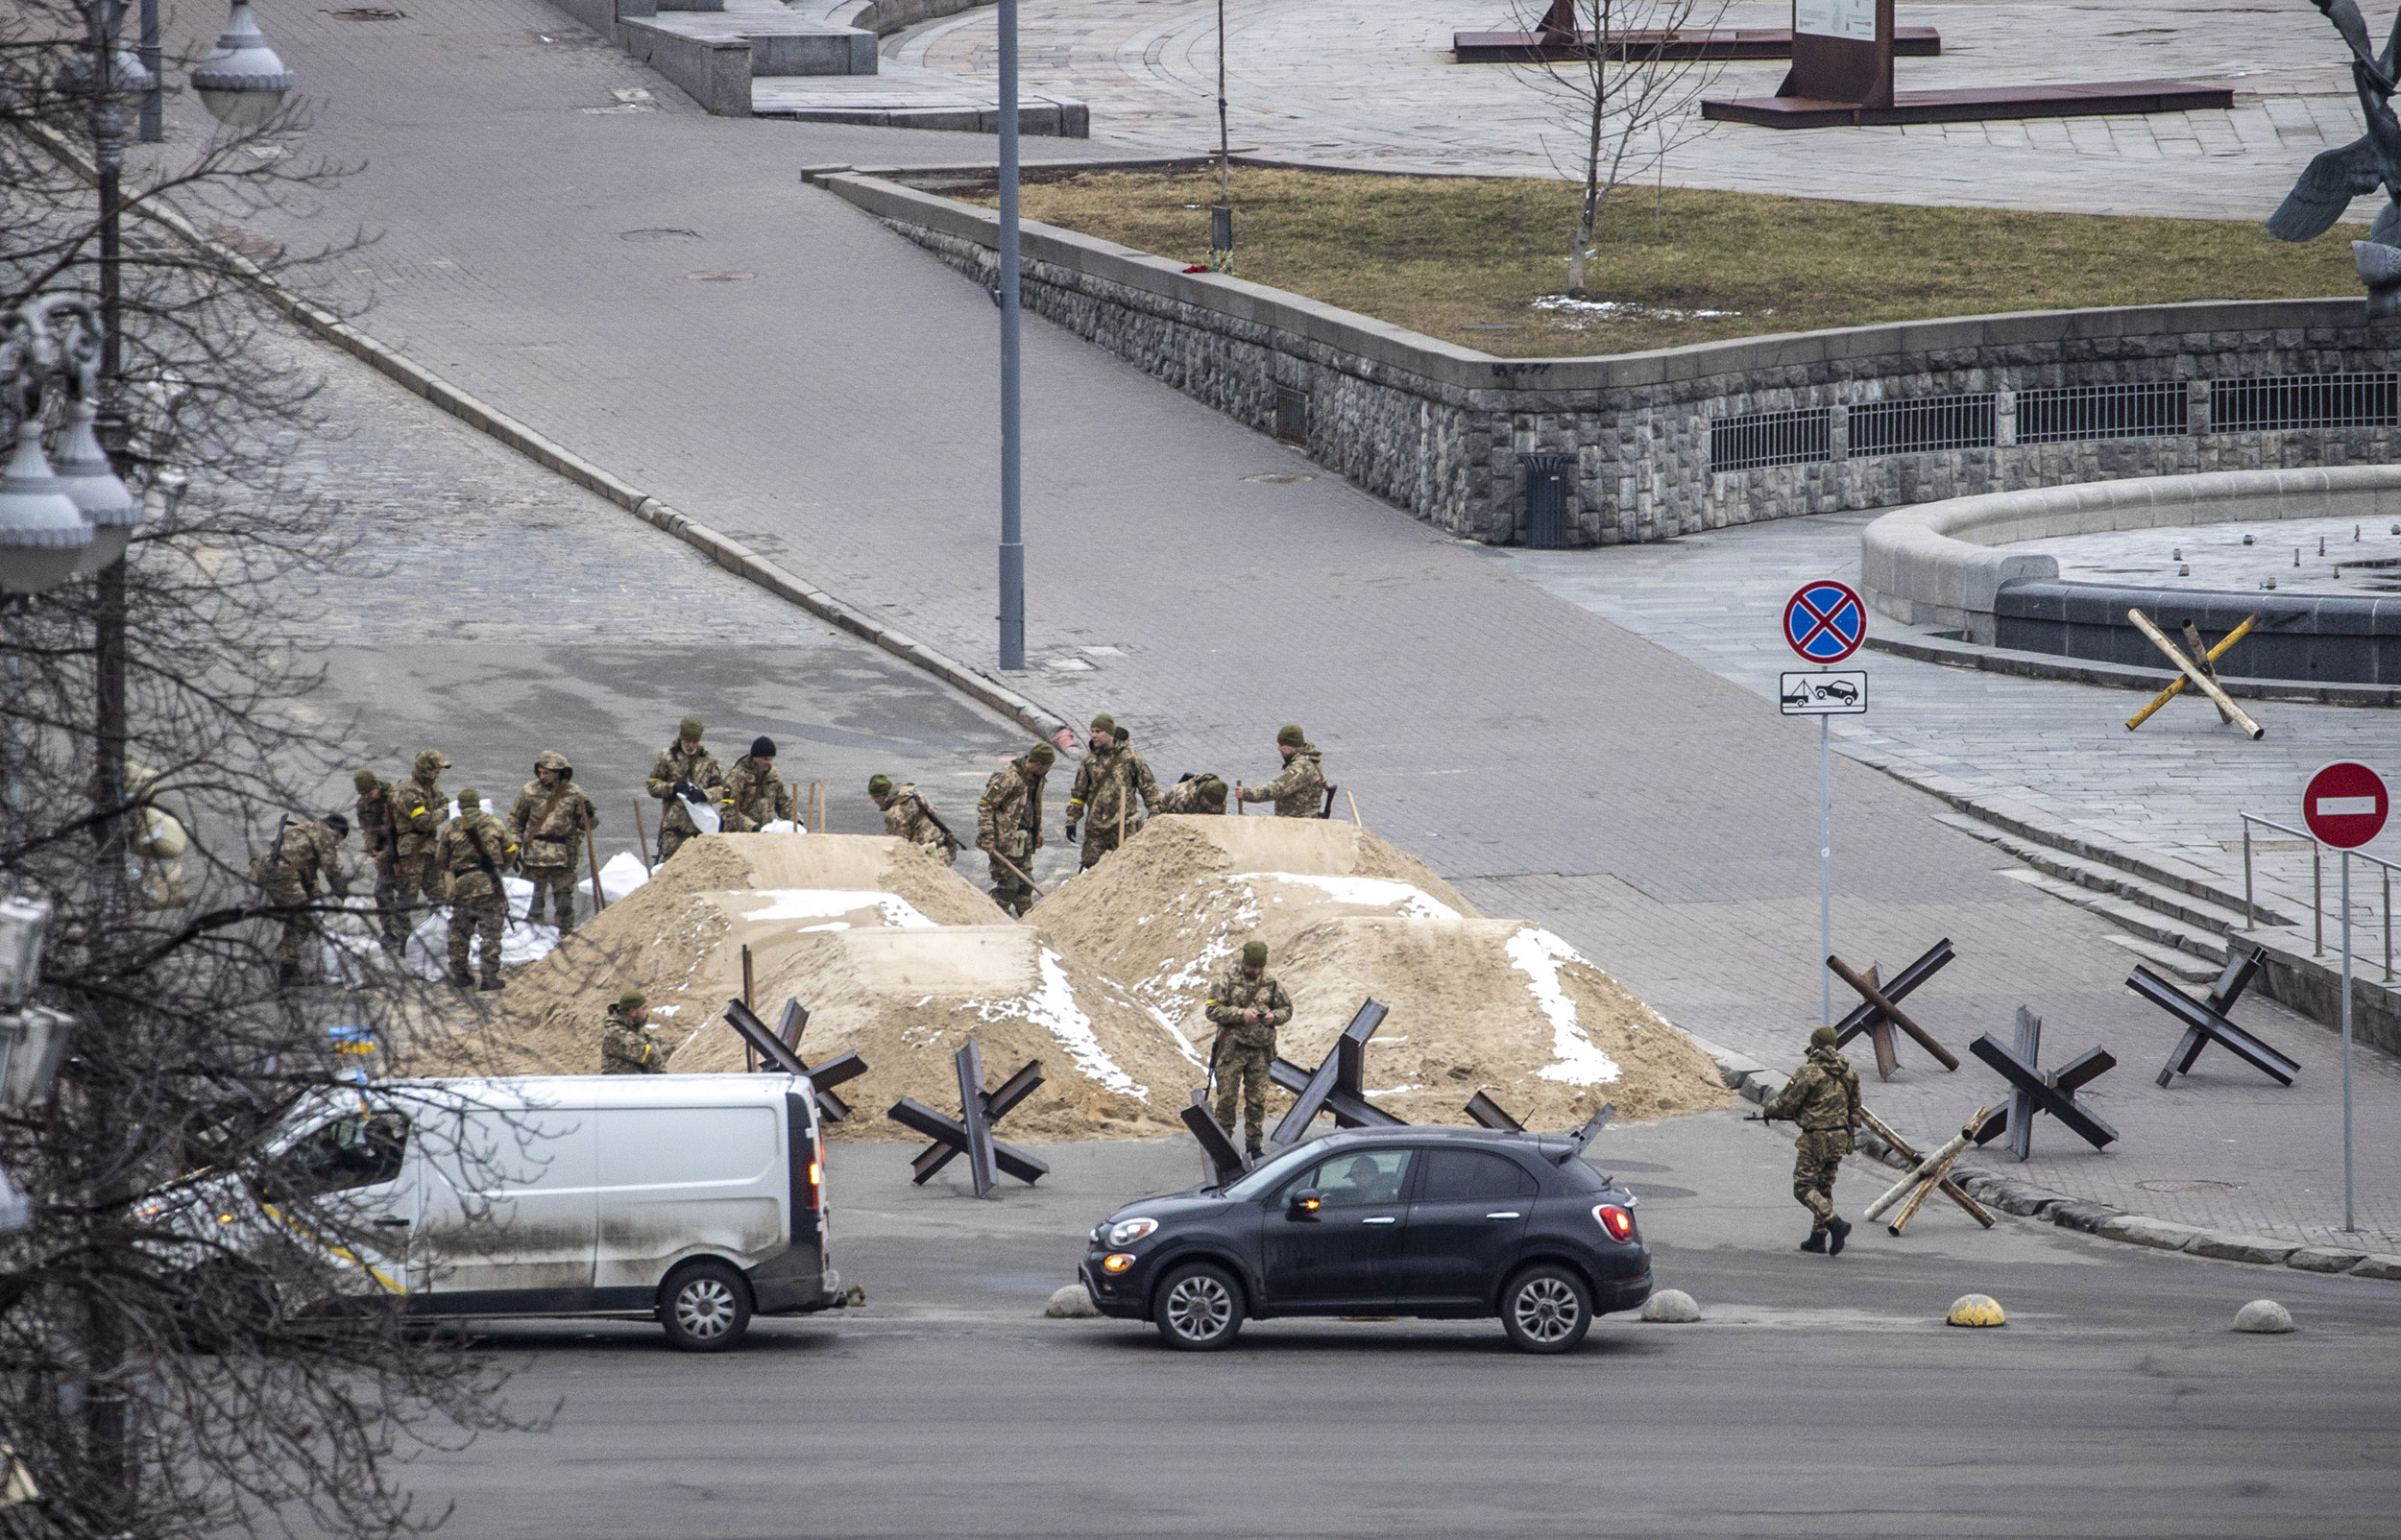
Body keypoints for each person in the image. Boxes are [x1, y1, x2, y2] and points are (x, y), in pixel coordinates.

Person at [1762, 1024, 1863, 1255]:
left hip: (1816, 1137)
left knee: (1803, 1186)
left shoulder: (1809, 1072)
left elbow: (1788, 1101)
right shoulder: (1848, 1070)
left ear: (1814, 1044)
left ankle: (1835, 1223)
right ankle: (1818, 1238)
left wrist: (1770, 1111)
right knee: (1824, 1186)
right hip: (1840, 1136)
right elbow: (1856, 1103)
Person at [1206, 939, 1292, 1160]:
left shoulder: (1271, 982)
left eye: (1259, 967)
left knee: (1257, 1101)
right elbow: (1211, 1010)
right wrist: (1240, 1015)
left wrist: (1273, 1017)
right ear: (1244, 962)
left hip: (1261, 1052)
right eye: (1252, 966)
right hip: (1232, 1050)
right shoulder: (1227, 978)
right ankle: (1223, 1148)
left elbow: (1287, 1009)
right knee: (1227, 1100)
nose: (1255, 971)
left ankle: (1254, 1147)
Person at [432, 788, 519, 992]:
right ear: (478, 804)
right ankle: (489, 977)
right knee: (490, 932)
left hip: (462, 885)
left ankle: (461, 974)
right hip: (489, 883)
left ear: (460, 807)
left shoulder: (452, 828)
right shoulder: (495, 824)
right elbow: (512, 850)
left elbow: (441, 860)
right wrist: (500, 869)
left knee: (460, 931)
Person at [508, 751, 598, 934]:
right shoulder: (529, 791)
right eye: (540, 772)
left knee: (564, 903)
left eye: (547, 773)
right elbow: (516, 821)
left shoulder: (574, 793)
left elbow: (588, 825)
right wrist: (514, 845)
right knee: (534, 902)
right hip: (535, 856)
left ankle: (565, 938)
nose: (542, 777)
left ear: (559, 772)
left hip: (563, 855)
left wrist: (589, 815)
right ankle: (532, 938)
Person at [256, 810, 352, 986]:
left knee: (301, 915)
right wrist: (347, 897)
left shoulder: (308, 829)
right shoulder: (325, 834)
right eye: (338, 841)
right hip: (283, 874)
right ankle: (288, 971)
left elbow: (308, 873)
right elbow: (331, 871)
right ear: (337, 833)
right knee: (302, 918)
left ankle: (289, 962)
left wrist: (317, 897)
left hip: (272, 871)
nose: (336, 845)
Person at [1062, 712, 1160, 870]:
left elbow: (1148, 787)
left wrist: (1155, 812)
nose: (1093, 735)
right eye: (1092, 731)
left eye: (1098, 731)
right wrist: (1072, 820)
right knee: (1092, 868)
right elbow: (1079, 794)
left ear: (1110, 733)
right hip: (1096, 829)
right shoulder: (1089, 761)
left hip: (1123, 825)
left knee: (1125, 869)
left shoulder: (1130, 757)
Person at [975, 741, 1054, 917]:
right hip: (1003, 840)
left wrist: (1037, 831)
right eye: (1047, 767)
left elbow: (1033, 806)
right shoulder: (1008, 778)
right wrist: (987, 837)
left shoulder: (1037, 778)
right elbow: (985, 805)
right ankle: (995, 916)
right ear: (1038, 764)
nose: (1048, 771)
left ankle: (1028, 919)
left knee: (1026, 884)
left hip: (1023, 840)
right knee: (1009, 885)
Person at [645, 715, 725, 865]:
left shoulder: (709, 761)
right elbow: (652, 785)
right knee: (670, 867)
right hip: (673, 827)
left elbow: (724, 789)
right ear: (681, 738)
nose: (690, 745)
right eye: (687, 741)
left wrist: (704, 795)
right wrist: (672, 788)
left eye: (694, 742)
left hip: (700, 827)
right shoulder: (667, 757)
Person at [352, 768, 407, 953]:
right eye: (363, 794)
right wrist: (372, 847)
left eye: (369, 792)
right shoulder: (363, 805)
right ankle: (390, 931)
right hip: (384, 850)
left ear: (377, 787)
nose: (367, 797)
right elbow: (368, 830)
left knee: (406, 893)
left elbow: (402, 831)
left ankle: (406, 934)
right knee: (381, 891)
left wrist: (386, 851)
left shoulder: (394, 799)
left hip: (403, 848)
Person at [391, 749, 451, 911]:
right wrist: (447, 810)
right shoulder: (409, 791)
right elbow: (425, 822)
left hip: (429, 847)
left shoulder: (431, 790)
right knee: (408, 895)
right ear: (425, 769)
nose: (438, 774)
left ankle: (438, 929)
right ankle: (400, 934)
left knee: (439, 893)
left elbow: (446, 802)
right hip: (411, 849)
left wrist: (449, 807)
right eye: (436, 770)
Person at [1238, 724, 1327, 817]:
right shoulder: (1309, 758)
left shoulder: (1300, 768)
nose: (1279, 749)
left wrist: (1246, 793)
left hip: (1298, 822)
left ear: (1294, 747)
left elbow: (1278, 789)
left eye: (1283, 746)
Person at [871, 774, 959, 862]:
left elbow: (900, 844)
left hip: (928, 857)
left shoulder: (894, 813)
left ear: (881, 797)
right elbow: (936, 813)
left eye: (874, 798)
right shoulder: (914, 794)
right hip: (942, 849)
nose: (874, 801)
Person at [723, 735, 798, 831]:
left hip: (767, 831)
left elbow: (784, 802)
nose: (769, 763)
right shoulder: (736, 776)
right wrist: (752, 827)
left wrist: (796, 820)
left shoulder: (772, 775)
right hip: (741, 834)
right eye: (766, 759)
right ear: (755, 758)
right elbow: (728, 809)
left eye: (771, 759)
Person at [602, 990, 677, 1074]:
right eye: (643, 1009)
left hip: (638, 1083)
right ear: (632, 1012)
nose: (647, 1013)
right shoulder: (614, 1031)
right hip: (618, 1084)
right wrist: (655, 1046)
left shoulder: (636, 1027)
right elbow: (647, 1052)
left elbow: (655, 1049)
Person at [1154, 772, 1227, 816]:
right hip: (1167, 813)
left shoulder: (1219, 796)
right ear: (1203, 796)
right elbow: (1172, 822)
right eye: (1209, 804)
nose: (1212, 808)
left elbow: (1220, 819)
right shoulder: (1182, 797)